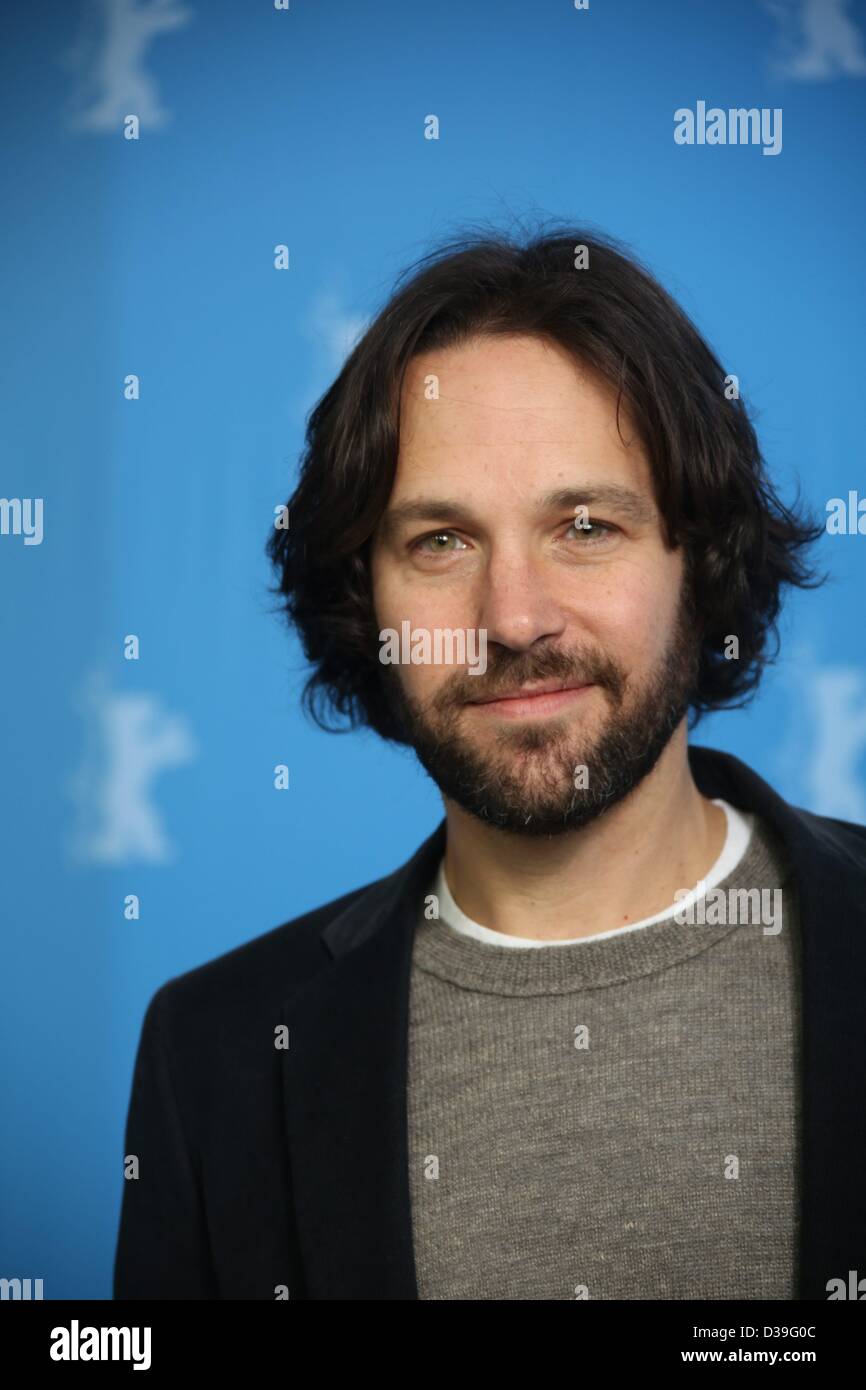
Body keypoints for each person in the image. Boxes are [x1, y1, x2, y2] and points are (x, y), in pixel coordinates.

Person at [113, 225, 866, 1301]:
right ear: (363, 598)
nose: (512, 620)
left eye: (584, 525)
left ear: (695, 561)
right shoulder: (214, 1055)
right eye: (440, 543)